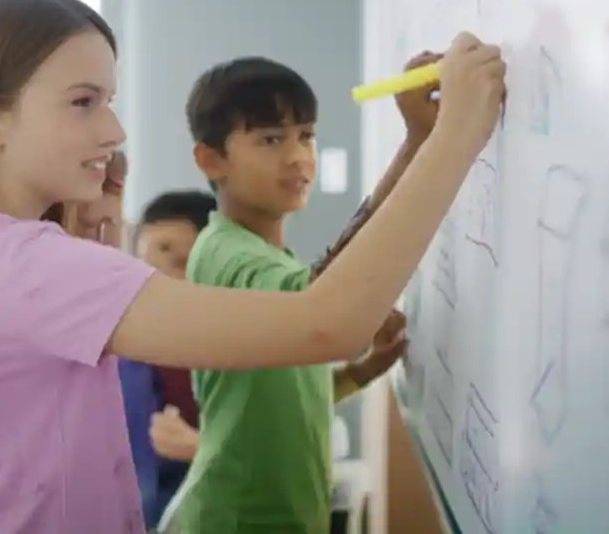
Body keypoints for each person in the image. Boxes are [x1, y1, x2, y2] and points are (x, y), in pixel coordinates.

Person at [0, 0, 505, 533]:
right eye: (82, 102)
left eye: (109, 100)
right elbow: (330, 322)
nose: (115, 130)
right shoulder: (29, 265)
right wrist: (456, 135)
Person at [164, 53, 439, 533]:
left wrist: (358, 373)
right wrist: (419, 143)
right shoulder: (230, 255)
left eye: (306, 136)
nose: (298, 157)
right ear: (211, 158)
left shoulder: (266, 254)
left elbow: (271, 396)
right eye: (270, 139)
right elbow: (327, 295)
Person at [118, 190, 214, 527]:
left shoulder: (238, 355)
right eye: (148, 262)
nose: (156, 280)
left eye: (177, 262)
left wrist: (203, 450)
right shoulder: (119, 356)